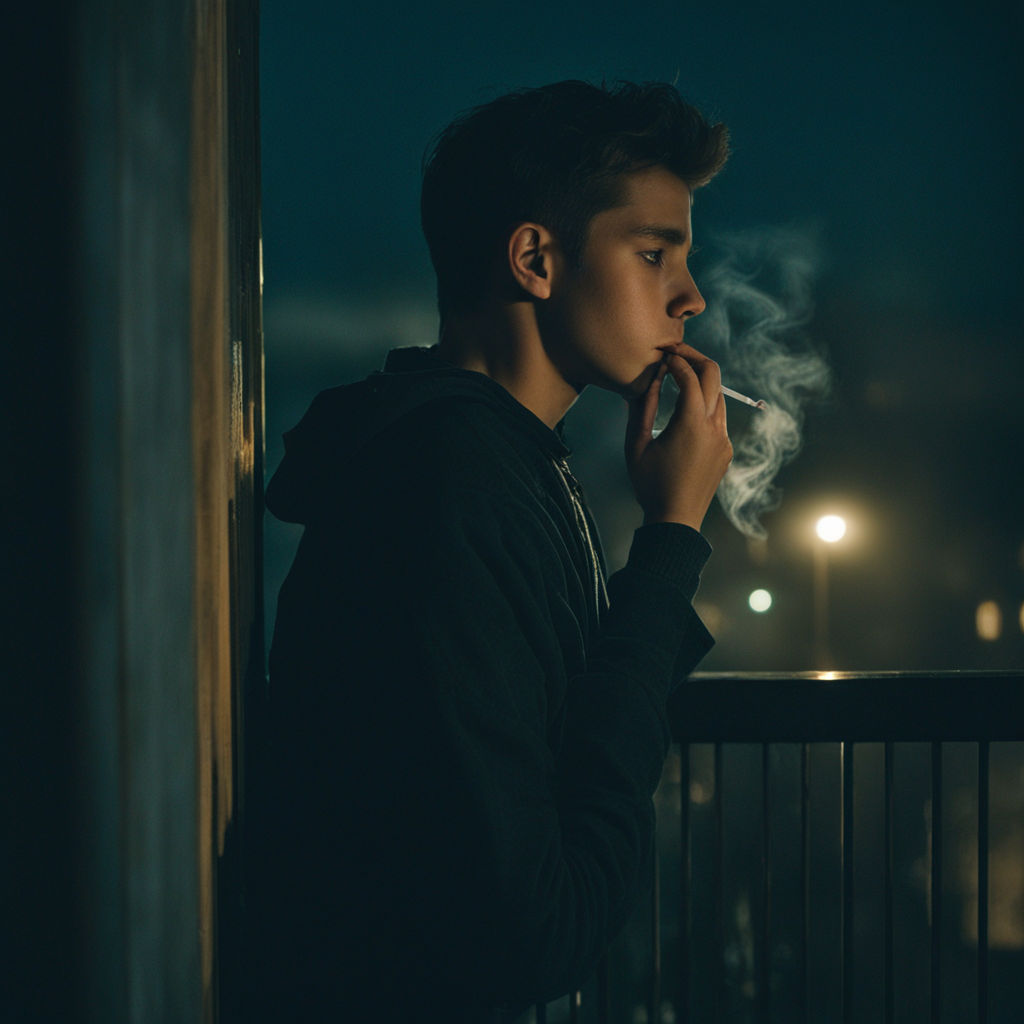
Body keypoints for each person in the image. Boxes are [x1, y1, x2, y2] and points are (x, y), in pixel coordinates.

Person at [244, 79, 732, 1022]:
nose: (692, 297)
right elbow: (533, 930)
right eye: (653, 254)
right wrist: (671, 538)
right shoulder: (448, 483)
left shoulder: (498, 462)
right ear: (536, 259)